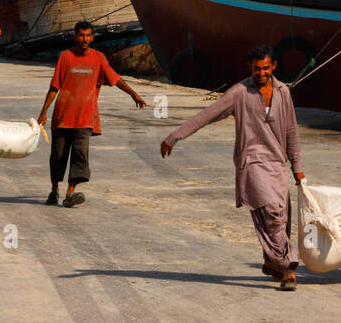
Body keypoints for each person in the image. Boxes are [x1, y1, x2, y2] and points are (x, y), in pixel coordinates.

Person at [160, 46, 305, 291]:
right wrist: (175, 136)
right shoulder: (239, 93)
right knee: (273, 213)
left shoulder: (283, 93)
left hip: (277, 165)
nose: (261, 73)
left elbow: (291, 131)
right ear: (250, 67)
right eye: (257, 68)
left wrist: (297, 168)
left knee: (282, 214)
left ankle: (272, 261)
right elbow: (207, 115)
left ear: (274, 67)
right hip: (252, 163)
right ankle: (287, 268)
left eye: (266, 68)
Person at [38, 21, 146, 208]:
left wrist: (133, 94)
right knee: (58, 156)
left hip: (85, 118)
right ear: (75, 36)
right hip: (62, 116)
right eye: (81, 35)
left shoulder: (98, 58)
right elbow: (54, 86)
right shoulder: (65, 57)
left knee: (80, 155)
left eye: (88, 35)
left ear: (93, 37)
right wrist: (44, 111)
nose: (85, 39)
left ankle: (70, 193)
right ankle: (54, 189)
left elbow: (116, 78)